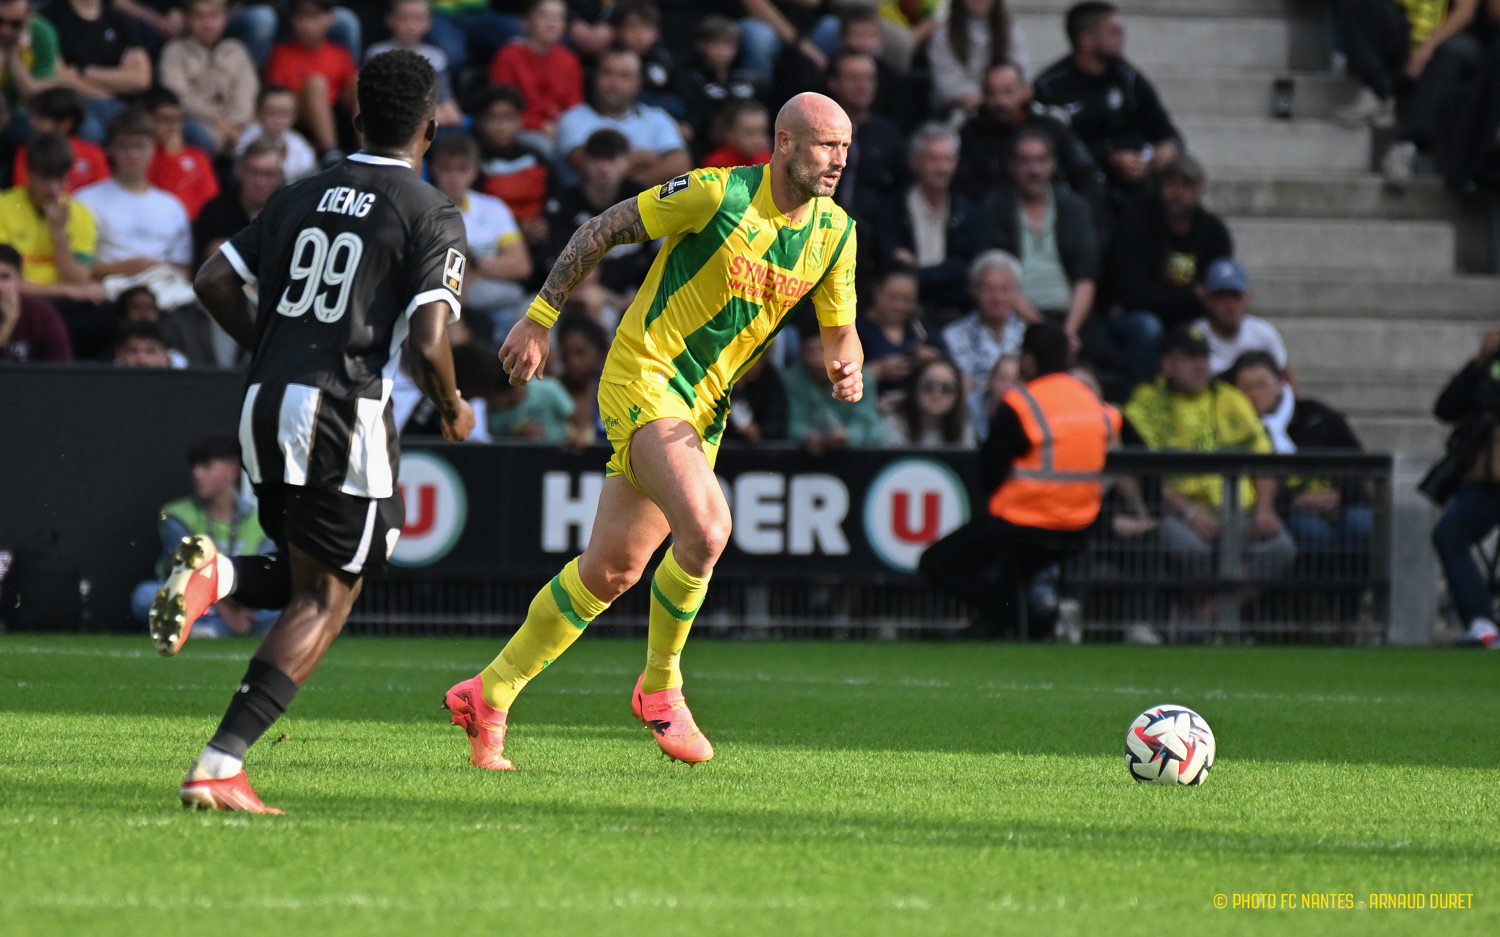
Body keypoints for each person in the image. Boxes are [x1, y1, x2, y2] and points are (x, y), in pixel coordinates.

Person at [459, 91, 862, 770]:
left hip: (705, 407)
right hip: (644, 375)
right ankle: (661, 686)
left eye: (846, 148)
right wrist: (538, 316)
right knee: (707, 529)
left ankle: (488, 691)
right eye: (826, 144)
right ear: (785, 143)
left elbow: (840, 329)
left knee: (611, 571)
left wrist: (845, 364)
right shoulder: (715, 194)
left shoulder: (837, 234)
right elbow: (602, 228)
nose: (838, 160)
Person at [162, 50, 476, 813]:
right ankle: (219, 762)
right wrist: (453, 405)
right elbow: (432, 340)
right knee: (327, 595)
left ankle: (223, 577)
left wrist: (269, 342)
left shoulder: (301, 191)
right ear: (431, 128)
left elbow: (210, 279)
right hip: (342, 408)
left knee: (332, 564)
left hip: (265, 400)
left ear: (357, 117)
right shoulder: (430, 210)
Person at [920, 322, 1118, 630]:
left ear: (1028, 360)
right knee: (1012, 571)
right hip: (1081, 525)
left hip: (1024, 522)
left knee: (936, 564)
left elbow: (990, 471)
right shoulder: (1091, 401)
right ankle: (1007, 623)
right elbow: (1120, 429)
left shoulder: (1022, 403)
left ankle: (1027, 621)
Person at [1123, 325, 1296, 587]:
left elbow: (1262, 457)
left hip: (1239, 512)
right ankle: (1212, 620)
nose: (1200, 365)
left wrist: (1264, 509)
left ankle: (1206, 617)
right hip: (1178, 513)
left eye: (1204, 357)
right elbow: (1142, 470)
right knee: (1189, 549)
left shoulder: (1230, 398)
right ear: (1167, 365)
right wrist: (1190, 512)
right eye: (1190, 358)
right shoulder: (1145, 404)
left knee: (1281, 548)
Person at [131, 437, 278, 641]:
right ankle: (226, 629)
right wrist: (226, 611)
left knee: (289, 601)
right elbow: (186, 571)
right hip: (196, 598)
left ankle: (206, 631)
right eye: (195, 467)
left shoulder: (259, 519)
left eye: (207, 467)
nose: (196, 475)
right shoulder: (176, 514)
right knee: (145, 596)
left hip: (243, 602)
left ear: (232, 472)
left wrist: (241, 602)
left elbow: (264, 575)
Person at [1227, 350, 1371, 554]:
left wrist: (1338, 495)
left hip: (1342, 499)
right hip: (1289, 509)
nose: (1254, 393)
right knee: (1311, 531)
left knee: (1360, 524)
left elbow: (1357, 459)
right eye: (1246, 387)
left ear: (1279, 383)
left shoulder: (1315, 414)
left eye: (1262, 384)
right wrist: (1294, 501)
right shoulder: (1238, 431)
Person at [1032, 1, 1181, 198]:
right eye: (1114, 32)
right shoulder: (1051, 87)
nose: (1122, 38)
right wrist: (1110, 157)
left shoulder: (1128, 79)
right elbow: (1051, 147)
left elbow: (1163, 128)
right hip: (1081, 185)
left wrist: (1167, 148)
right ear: (1087, 40)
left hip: (1137, 181)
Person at [1106, 151, 1231, 383]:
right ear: (1159, 186)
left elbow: (1216, 293)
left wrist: (1170, 297)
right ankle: (1143, 398)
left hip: (1190, 319)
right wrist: (1190, 297)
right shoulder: (1137, 224)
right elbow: (1133, 296)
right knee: (1148, 327)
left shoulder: (1214, 232)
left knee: (1218, 326)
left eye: (1187, 186)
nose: (1178, 193)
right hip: (1139, 319)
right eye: (1171, 184)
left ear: (1200, 189)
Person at [1334, 0, 1486, 186]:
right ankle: (1380, 91)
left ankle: (1408, 145)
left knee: (1451, 53)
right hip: (1405, 28)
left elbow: (1465, 12)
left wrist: (1427, 48)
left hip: (1450, 38)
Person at [983, 127, 1099, 354]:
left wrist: (1068, 331)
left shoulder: (1074, 208)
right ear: (1011, 166)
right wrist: (1045, 331)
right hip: (1017, 317)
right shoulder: (995, 208)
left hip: (1072, 318)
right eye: (1024, 161)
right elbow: (999, 280)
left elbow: (1086, 277)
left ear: (1053, 164)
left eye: (1040, 160)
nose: (1033, 170)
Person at [955, 61, 1103, 219]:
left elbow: (1087, 175)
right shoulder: (971, 134)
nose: (1000, 101)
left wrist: (1079, 217)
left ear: (1026, 91)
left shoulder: (1051, 128)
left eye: (1008, 92)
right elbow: (964, 189)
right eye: (991, 93)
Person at [1430, 324, 1500, 648]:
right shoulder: (1489, 368)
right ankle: (1481, 622)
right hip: (1486, 480)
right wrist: (1480, 361)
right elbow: (1446, 408)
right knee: (1449, 533)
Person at [425, 133, 532, 341]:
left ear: (474, 171)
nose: (454, 177)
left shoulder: (493, 207)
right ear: (433, 169)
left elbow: (522, 266)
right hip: (443, 297)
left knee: (529, 308)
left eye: (462, 169)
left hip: (490, 295)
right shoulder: (424, 209)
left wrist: (474, 266)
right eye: (446, 168)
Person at [879, 122, 986, 315]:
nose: (942, 168)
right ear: (914, 162)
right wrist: (951, 270)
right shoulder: (892, 210)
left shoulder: (969, 212)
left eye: (948, 159)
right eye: (933, 159)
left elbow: (972, 270)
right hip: (906, 312)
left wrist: (917, 274)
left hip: (960, 311)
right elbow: (892, 269)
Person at [74, 107, 193, 279]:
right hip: (109, 293)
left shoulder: (172, 206)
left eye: (140, 146)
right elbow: (79, 269)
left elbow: (184, 270)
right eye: (124, 147)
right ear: (111, 149)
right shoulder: (85, 200)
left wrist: (150, 268)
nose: (132, 154)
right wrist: (129, 267)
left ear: (153, 148)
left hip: (165, 291)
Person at [542, 128, 655, 303]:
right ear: (585, 162)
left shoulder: (642, 199)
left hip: (636, 293)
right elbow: (558, 257)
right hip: (574, 294)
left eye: (612, 159)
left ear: (626, 162)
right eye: (597, 159)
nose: (604, 168)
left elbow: (656, 253)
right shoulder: (564, 202)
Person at [555, 48, 691, 188]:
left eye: (624, 76)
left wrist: (625, 192)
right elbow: (588, 167)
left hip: (647, 207)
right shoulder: (572, 118)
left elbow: (680, 166)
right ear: (595, 77)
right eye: (607, 73)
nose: (614, 82)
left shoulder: (657, 117)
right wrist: (644, 159)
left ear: (638, 83)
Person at [0, 133, 102, 303]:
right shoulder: (3, 206)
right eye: (46, 178)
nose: (54, 189)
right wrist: (66, 291)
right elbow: (3, 282)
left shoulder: (80, 213)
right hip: (15, 298)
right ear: (29, 173)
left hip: (64, 299)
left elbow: (78, 279)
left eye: (60, 178)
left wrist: (59, 233)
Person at [42, 0, 153, 143]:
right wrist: (107, 88)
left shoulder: (117, 16)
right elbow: (60, 75)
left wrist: (84, 71)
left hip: (119, 104)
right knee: (92, 131)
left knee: (140, 130)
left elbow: (141, 79)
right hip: (75, 102)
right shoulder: (50, 16)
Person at [943, 249, 1028, 435]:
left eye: (1005, 290)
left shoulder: (1030, 336)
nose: (997, 298)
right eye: (989, 290)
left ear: (1016, 293)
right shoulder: (954, 335)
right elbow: (963, 387)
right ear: (974, 291)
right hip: (971, 422)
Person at [158, 0, 258, 155]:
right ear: (187, 19)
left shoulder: (237, 50)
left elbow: (247, 91)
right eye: (199, 17)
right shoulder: (174, 50)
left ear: (225, 19)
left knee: (266, 139)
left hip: (238, 124)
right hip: (198, 120)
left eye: (214, 17)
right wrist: (216, 120)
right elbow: (177, 96)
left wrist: (234, 123)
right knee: (197, 135)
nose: (207, 24)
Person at [825, 50, 908, 236]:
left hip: (873, 236)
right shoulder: (816, 130)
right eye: (853, 78)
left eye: (870, 79)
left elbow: (903, 189)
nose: (863, 86)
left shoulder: (888, 134)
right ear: (834, 83)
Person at [265, 0, 358, 156]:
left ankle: (367, 149)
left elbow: (350, 90)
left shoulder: (340, 53)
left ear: (331, 18)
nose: (307, 25)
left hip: (339, 115)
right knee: (316, 83)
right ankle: (331, 153)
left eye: (314, 17)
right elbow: (276, 93)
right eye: (301, 18)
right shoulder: (282, 53)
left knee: (360, 80)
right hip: (300, 117)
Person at [785, 313, 884, 452]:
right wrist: (806, 436)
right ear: (800, 352)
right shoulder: (790, 380)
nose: (818, 358)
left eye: (824, 350)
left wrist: (848, 436)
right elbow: (792, 422)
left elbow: (869, 424)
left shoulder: (861, 378)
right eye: (810, 351)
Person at [488, 0, 582, 147]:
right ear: (526, 22)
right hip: (521, 130)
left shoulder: (570, 60)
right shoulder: (508, 56)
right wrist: (538, 126)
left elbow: (574, 107)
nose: (552, 24)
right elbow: (502, 108)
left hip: (560, 130)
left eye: (558, 18)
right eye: (544, 17)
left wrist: (563, 128)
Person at [364, 0, 463, 128]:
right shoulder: (376, 53)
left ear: (429, 22)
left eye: (418, 19)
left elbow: (446, 100)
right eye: (404, 18)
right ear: (390, 19)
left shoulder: (436, 56)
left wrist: (449, 112)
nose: (411, 25)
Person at [676, 14, 762, 154]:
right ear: (701, 45)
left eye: (728, 45)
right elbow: (697, 119)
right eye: (716, 44)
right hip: (710, 147)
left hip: (751, 147)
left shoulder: (744, 80)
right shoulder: (693, 79)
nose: (722, 52)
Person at [471, 84, 551, 231]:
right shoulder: (474, 162)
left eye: (508, 118)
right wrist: (518, 227)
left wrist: (544, 222)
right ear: (479, 122)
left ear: (521, 120)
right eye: (493, 118)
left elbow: (554, 197)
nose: (501, 126)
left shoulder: (535, 157)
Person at [194, 136, 284, 264]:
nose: (260, 182)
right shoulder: (215, 211)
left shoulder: (288, 212)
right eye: (254, 172)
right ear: (239, 170)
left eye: (269, 174)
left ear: (280, 176)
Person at [927, 0, 1027, 114]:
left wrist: (1005, 96)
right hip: (959, 112)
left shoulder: (1010, 29)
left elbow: (1021, 72)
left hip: (1007, 110)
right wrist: (988, 100)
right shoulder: (943, 35)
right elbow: (948, 86)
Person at [1193, 258, 1287, 377]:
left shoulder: (1264, 333)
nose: (1229, 304)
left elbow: (1286, 376)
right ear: (1207, 300)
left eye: (1236, 295)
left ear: (1248, 298)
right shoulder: (1195, 336)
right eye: (1221, 296)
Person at [856, 264, 941, 393]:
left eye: (908, 300)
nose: (899, 306)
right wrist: (880, 370)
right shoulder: (856, 329)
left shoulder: (922, 330)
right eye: (892, 297)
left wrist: (933, 361)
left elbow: (952, 371)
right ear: (876, 290)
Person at [10, 87, 109, 193]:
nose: (33, 122)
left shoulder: (93, 153)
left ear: (65, 124)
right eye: (34, 116)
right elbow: (21, 191)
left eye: (41, 118)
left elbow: (103, 192)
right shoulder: (26, 152)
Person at [144, 89, 219, 220]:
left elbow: (211, 199)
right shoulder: (145, 157)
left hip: (196, 226)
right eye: (164, 119)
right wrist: (170, 157)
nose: (172, 126)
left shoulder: (198, 156)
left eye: (177, 120)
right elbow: (159, 195)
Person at [0, 243, 72, 361]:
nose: (0, 287)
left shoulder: (43, 317)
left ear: (19, 280)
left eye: (5, 277)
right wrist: (7, 324)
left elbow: (62, 370)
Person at [884, 355, 973, 446]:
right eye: (928, 385)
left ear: (957, 395)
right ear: (915, 388)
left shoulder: (963, 425)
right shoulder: (895, 421)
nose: (937, 393)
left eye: (947, 388)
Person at [235, 85, 318, 184]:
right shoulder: (247, 138)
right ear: (257, 113)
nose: (278, 120)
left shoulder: (299, 143)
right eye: (272, 113)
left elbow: (307, 169)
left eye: (284, 114)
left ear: (294, 116)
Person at [611, 0, 678, 116]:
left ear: (657, 32)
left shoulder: (665, 59)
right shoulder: (611, 60)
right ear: (618, 31)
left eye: (646, 27)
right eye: (632, 27)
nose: (639, 35)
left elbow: (682, 101)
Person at [0, 0, 60, 117]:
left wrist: (13, 57)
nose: (5, 31)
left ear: (29, 17)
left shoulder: (41, 34)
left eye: (15, 23)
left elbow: (39, 101)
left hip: (23, 113)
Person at [722, 354, 786, 442]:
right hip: (729, 445)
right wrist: (737, 389)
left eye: (754, 361)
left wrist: (758, 431)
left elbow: (775, 422)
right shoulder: (727, 379)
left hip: (766, 448)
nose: (749, 367)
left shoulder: (771, 378)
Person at [700, 98, 772, 168]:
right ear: (730, 133)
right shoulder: (718, 164)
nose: (758, 140)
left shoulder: (767, 160)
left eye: (763, 132)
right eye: (749, 133)